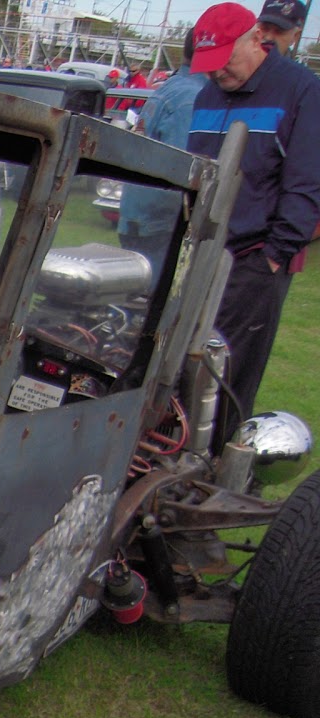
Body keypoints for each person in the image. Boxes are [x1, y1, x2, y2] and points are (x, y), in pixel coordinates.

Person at [186, 2, 320, 443]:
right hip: (201, 252)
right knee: (179, 359)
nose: (217, 73)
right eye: (208, 65)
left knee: (227, 372)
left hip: (254, 259)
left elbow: (306, 181)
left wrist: (275, 257)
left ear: (254, 38)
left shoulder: (300, 90)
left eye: (224, 60)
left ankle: (218, 464)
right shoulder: (207, 95)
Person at [116, 32, 206, 281]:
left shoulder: (172, 86)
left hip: (138, 214)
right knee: (154, 306)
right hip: (159, 223)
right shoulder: (192, 98)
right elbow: (182, 171)